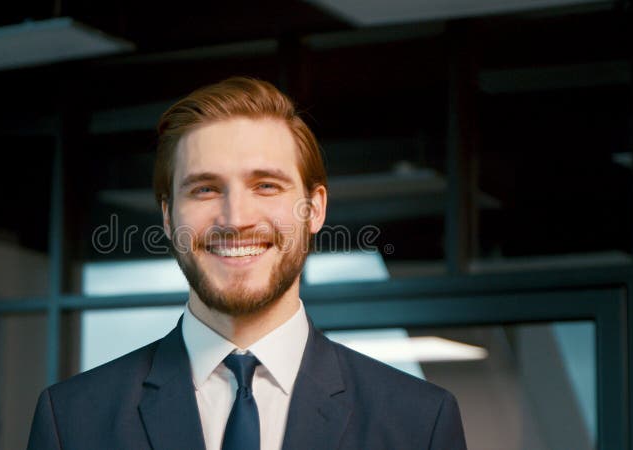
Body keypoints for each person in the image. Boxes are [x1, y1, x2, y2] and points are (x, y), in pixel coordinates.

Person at [27, 77, 467, 450]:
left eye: (267, 186)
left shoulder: (420, 423)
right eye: (204, 189)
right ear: (167, 215)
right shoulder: (71, 422)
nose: (235, 219)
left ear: (314, 209)